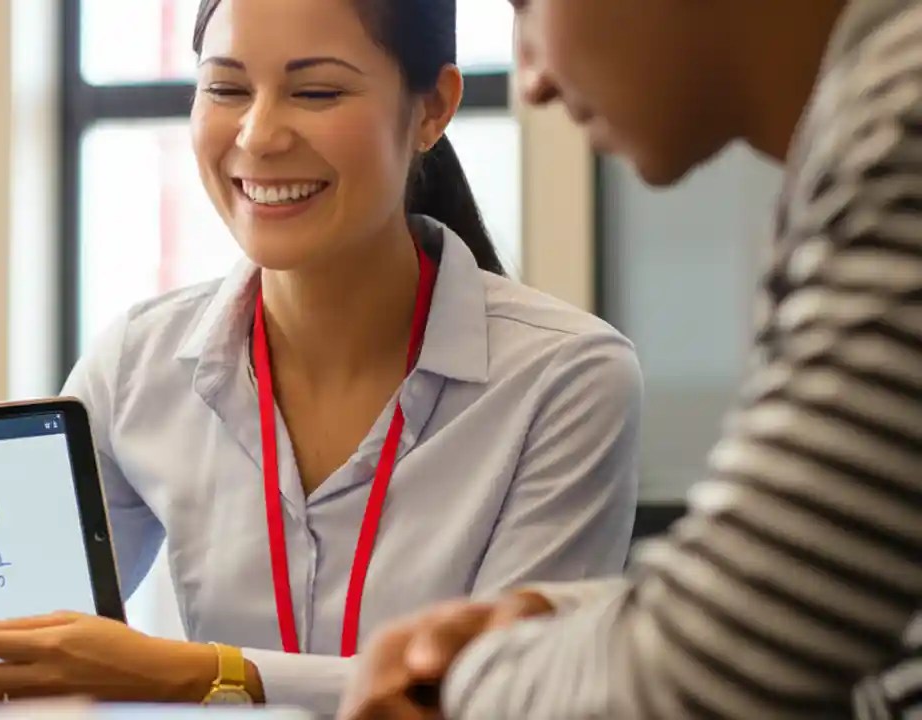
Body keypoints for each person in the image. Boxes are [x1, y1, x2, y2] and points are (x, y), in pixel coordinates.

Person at [0, 0, 642, 716]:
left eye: (314, 89)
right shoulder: (143, 358)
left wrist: (193, 670)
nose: (258, 134)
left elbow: (520, 695)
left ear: (430, 108)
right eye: (223, 88)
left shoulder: (564, 378)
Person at [337, 0, 922, 718]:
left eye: (526, 6)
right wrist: (574, 629)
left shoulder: (902, 120)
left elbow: (718, 667)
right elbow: (815, 604)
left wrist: (450, 684)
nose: (533, 81)